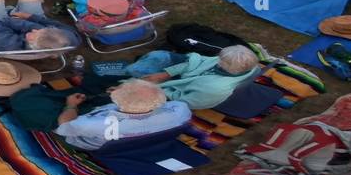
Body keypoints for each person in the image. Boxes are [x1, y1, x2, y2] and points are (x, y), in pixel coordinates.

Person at [101, 44, 263, 110]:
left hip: (172, 93)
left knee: (119, 98)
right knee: (156, 57)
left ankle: (121, 83)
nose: (217, 60)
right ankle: (127, 78)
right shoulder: (227, 61)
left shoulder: (215, 89)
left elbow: (184, 102)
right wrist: (167, 73)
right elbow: (199, 61)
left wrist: (142, 87)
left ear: (230, 68)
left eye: (221, 61)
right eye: (220, 57)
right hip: (179, 76)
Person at [55, 77, 193, 149]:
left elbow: (64, 127)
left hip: (95, 145)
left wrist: (71, 106)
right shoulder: (179, 110)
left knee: (50, 116)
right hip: (144, 139)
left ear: (115, 100)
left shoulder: (95, 124)